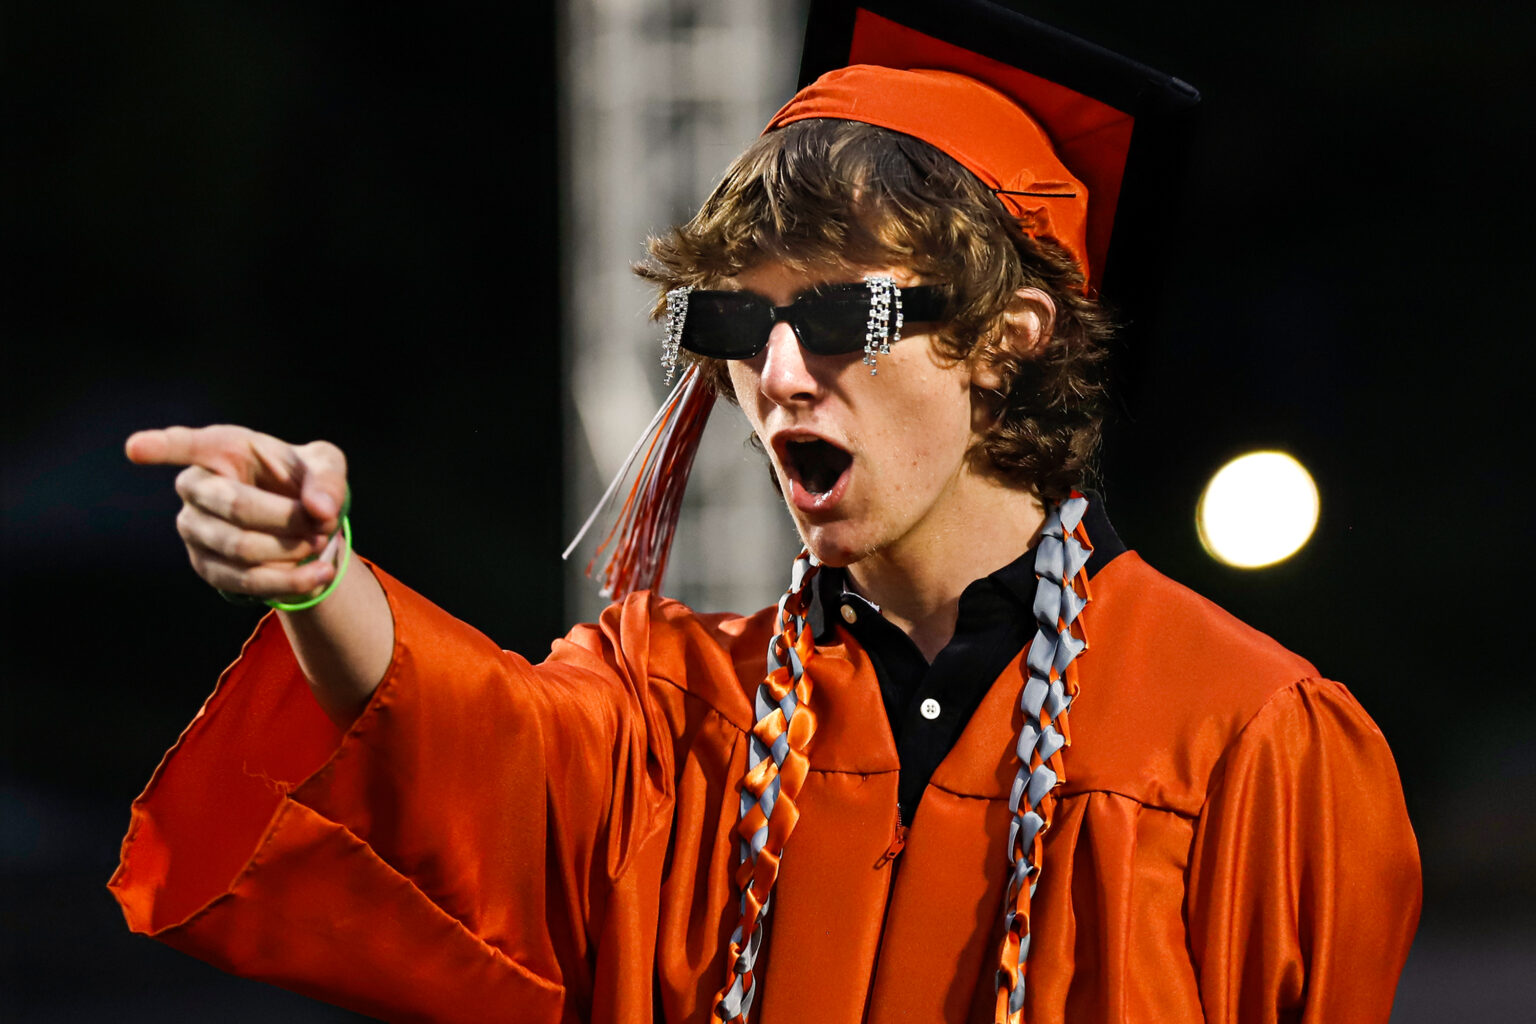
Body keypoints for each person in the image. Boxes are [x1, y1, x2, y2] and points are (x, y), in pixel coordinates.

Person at [110, 10, 1421, 1024]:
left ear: (1009, 344)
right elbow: (473, 754)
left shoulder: (1250, 746)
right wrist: (321, 575)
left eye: (845, 315)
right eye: (734, 321)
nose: (777, 373)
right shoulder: (677, 718)